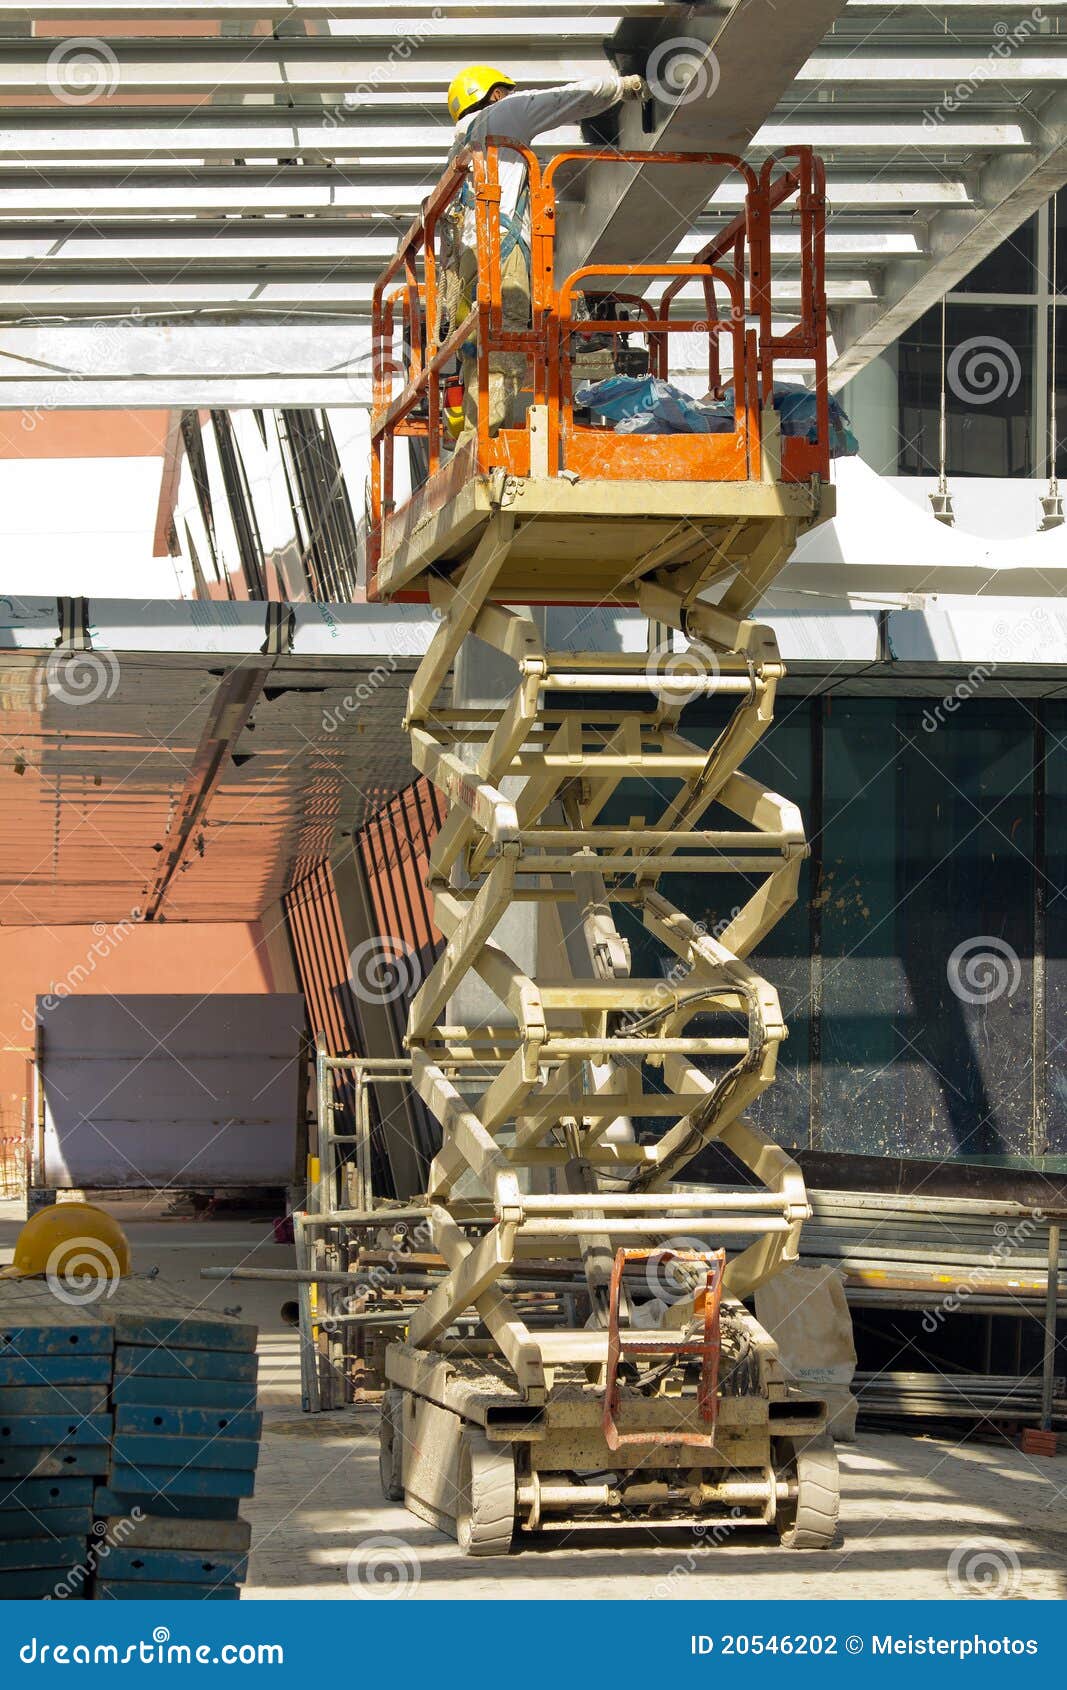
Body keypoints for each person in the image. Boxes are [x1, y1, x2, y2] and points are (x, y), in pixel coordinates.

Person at [441, 65, 646, 437]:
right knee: (506, 344)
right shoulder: (501, 115)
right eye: (507, 92)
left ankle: (470, 442)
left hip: (467, 260)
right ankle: (481, 445)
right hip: (497, 253)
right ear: (495, 94)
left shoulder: (459, 146)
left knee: (476, 350)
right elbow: (567, 99)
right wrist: (623, 87)